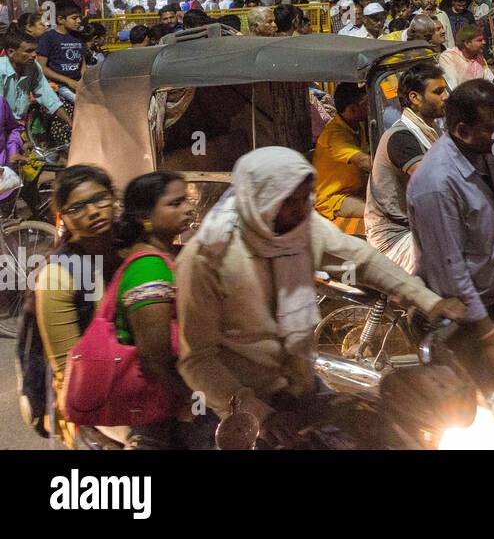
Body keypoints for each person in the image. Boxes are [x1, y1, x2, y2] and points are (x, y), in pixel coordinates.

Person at [176, 147, 464, 446]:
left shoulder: (301, 227)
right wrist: (260, 415)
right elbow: (198, 360)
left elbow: (361, 260)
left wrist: (430, 302)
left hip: (303, 387)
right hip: (246, 413)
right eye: (291, 201)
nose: (303, 209)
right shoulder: (206, 259)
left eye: (305, 198)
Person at [407, 79, 494, 392]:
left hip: (487, 300)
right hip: (458, 321)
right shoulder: (436, 183)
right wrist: (488, 335)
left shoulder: (480, 150)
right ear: (461, 130)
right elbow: (452, 271)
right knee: (467, 409)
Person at [110, 171, 213, 449]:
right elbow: (154, 357)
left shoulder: (165, 255)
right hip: (161, 415)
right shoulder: (149, 269)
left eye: (187, 200)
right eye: (175, 203)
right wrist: (188, 402)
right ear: (146, 216)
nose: (189, 208)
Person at [34, 165, 119, 446]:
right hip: (92, 406)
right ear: (64, 219)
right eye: (78, 208)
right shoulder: (59, 275)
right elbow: (68, 370)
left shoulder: (133, 247)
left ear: (113, 198)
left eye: (99, 199)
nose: (93, 212)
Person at [364, 64, 448, 274]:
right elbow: (436, 184)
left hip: (418, 228)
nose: (446, 96)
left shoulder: (432, 131)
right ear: (415, 98)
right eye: (438, 92)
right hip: (395, 236)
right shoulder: (401, 138)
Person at [312, 82, 371, 236]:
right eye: (366, 104)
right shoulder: (335, 135)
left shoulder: (357, 125)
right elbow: (363, 161)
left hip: (357, 189)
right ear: (352, 109)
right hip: (335, 198)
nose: (369, 107)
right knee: (379, 210)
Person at [0, 29, 71, 127]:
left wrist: (71, 124)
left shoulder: (33, 67)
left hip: (17, 125)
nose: (34, 55)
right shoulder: (1, 70)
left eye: (35, 51)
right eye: (28, 51)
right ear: (11, 52)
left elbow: (48, 97)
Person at [36, 0, 85, 101]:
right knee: (81, 102)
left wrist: (84, 81)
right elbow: (41, 67)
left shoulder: (78, 37)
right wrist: (68, 81)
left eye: (79, 17)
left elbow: (82, 63)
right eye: (74, 18)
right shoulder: (48, 38)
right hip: (58, 85)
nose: (79, 21)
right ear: (60, 19)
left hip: (77, 83)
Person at [441, 23, 494, 90]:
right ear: (467, 43)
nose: (484, 42)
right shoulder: (449, 57)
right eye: (479, 40)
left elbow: (490, 81)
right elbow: (452, 87)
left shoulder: (478, 56)